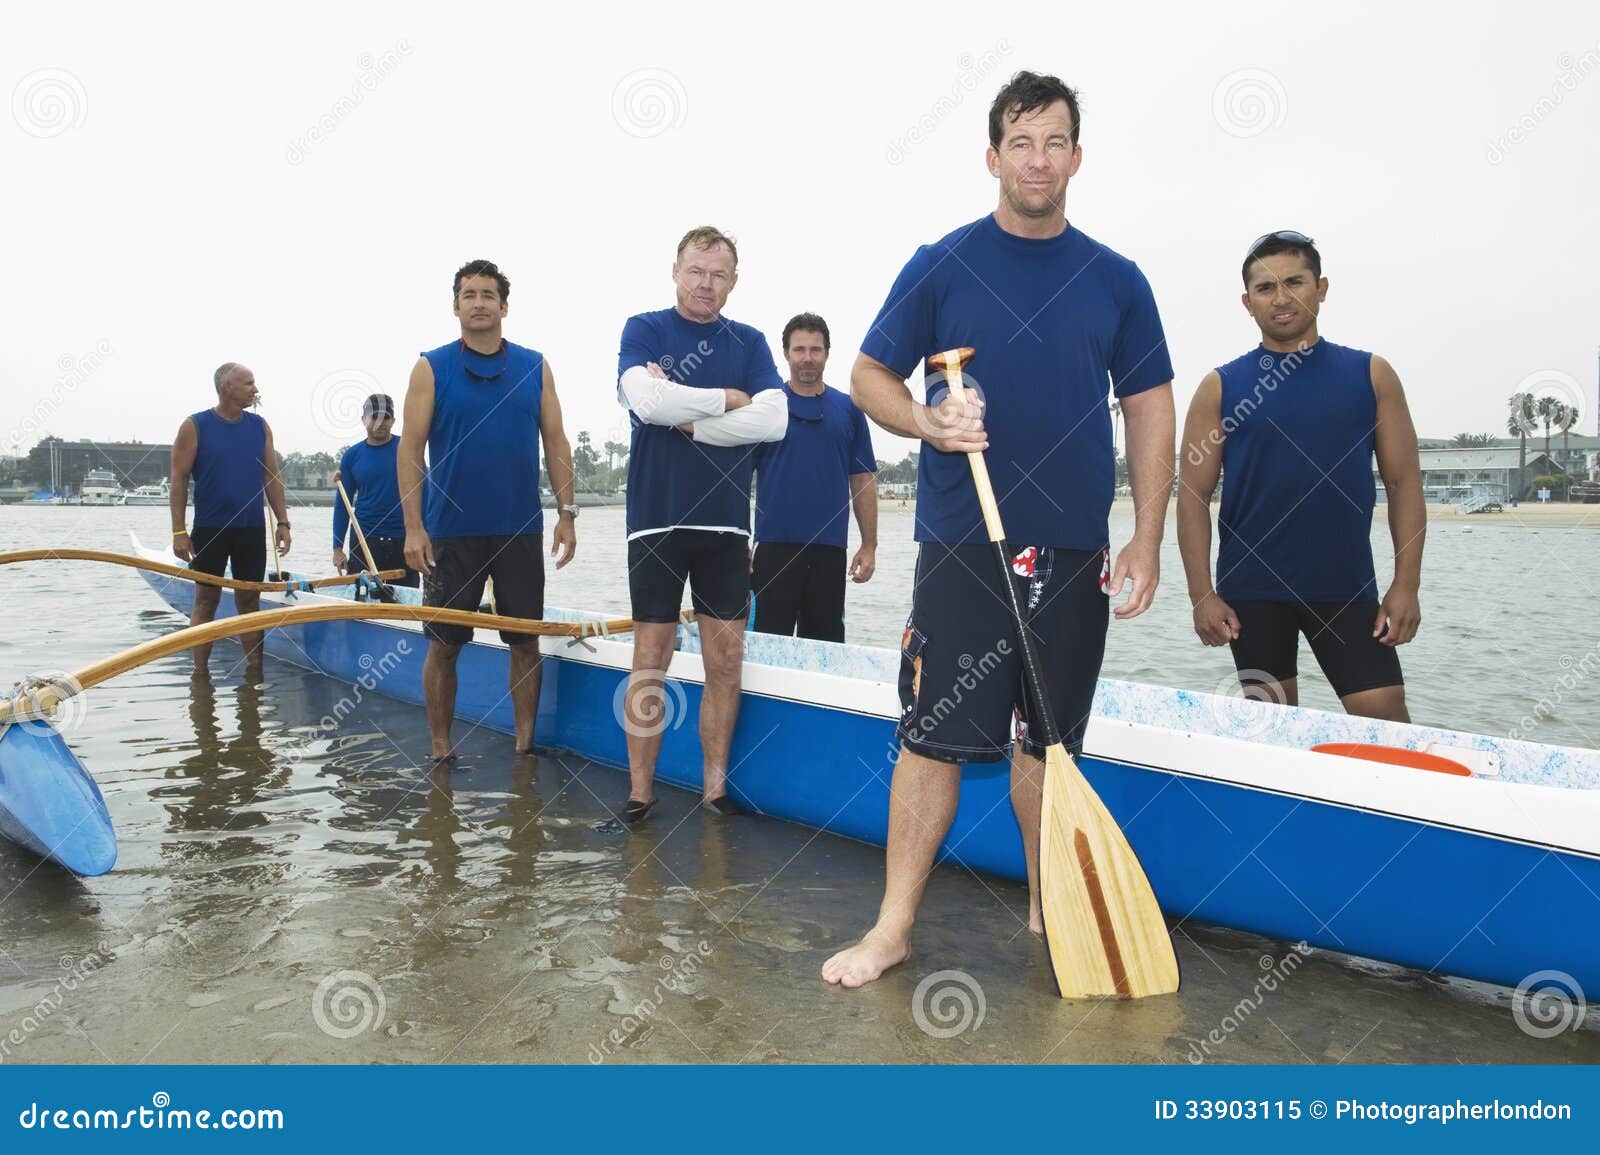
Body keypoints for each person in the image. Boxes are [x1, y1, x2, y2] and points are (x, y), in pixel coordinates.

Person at [822, 71, 1176, 989]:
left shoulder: (1118, 280)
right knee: (934, 737)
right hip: (963, 543)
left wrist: (1146, 535)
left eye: (1055, 142)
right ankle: (894, 924)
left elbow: (1147, 408)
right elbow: (868, 376)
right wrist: (925, 423)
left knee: (1048, 745)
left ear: (1077, 158)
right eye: (1021, 142)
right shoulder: (943, 262)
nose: (1038, 158)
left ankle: (1046, 909)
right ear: (993, 156)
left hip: (1073, 550)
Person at [1177, 231, 1424, 721]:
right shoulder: (1220, 386)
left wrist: (1406, 585)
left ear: (1322, 288)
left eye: (1295, 282)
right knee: (1272, 725)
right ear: (1248, 303)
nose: (1282, 298)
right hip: (1251, 592)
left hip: (1345, 585)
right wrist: (1201, 593)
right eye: (1266, 289)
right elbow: (1190, 497)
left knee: (1386, 719)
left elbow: (1404, 484)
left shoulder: (1370, 375)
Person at [615, 226, 787, 824]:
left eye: (718, 274)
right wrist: (728, 400)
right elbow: (648, 404)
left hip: (725, 529)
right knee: (651, 657)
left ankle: (715, 791)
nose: (705, 284)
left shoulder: (751, 340)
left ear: (733, 282)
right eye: (696, 270)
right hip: (655, 523)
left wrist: (688, 418)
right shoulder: (645, 329)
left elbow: (775, 420)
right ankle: (640, 793)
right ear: (675, 271)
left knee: (725, 661)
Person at [399, 259, 578, 760]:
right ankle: (440, 748)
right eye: (468, 294)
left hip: (518, 530)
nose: (478, 303)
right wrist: (414, 528)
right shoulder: (430, 367)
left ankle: (524, 747)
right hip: (451, 533)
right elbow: (410, 449)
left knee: (524, 642)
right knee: (445, 643)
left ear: (504, 305)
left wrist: (567, 512)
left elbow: (556, 440)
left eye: (487, 294)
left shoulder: (534, 365)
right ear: (455, 305)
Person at [750, 312, 878, 642]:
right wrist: (740, 544)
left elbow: (862, 479)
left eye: (815, 350)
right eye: (799, 349)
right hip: (773, 548)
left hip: (829, 550)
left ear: (827, 353)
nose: (808, 358)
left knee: (826, 649)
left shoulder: (849, 409)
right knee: (766, 646)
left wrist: (869, 544)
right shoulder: (765, 406)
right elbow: (736, 479)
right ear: (786, 353)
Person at [170, 362, 290, 671]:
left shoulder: (259, 426)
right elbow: (179, 478)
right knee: (206, 602)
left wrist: (283, 522)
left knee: (249, 602)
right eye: (249, 383)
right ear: (228, 387)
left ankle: (254, 673)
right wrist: (178, 532)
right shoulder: (195, 426)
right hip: (210, 529)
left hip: (250, 530)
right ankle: (200, 677)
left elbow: (271, 477)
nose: (255, 389)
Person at [333, 393, 418, 587]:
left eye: (386, 417)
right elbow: (342, 505)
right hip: (364, 541)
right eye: (374, 417)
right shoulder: (352, 456)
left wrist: (426, 537)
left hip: (404, 541)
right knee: (362, 599)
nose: (380, 423)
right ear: (364, 419)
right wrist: (337, 548)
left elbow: (426, 495)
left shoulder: (407, 449)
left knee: (405, 603)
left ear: (393, 420)